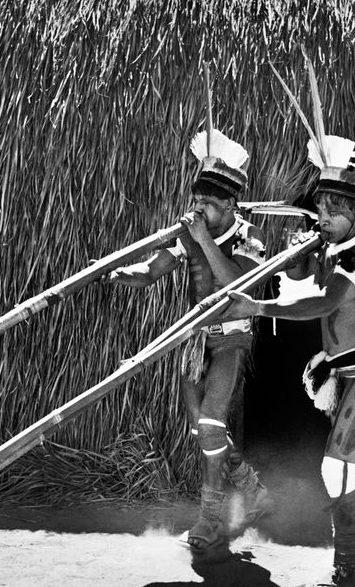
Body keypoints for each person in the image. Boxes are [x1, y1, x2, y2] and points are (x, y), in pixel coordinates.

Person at [225, 131, 355, 587]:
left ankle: (344, 572)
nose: (325, 219)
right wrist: (293, 267)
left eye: (335, 211)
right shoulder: (335, 249)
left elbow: (322, 304)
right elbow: (303, 293)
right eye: (322, 211)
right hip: (352, 376)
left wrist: (257, 307)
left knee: (337, 467)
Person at [109, 128, 273, 555]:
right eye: (195, 201)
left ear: (229, 205)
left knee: (212, 424)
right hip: (195, 341)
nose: (196, 209)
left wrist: (201, 239)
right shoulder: (189, 235)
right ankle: (250, 487)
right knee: (203, 431)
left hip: (231, 340)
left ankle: (210, 520)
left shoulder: (249, 239)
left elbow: (240, 285)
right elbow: (150, 272)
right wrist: (117, 272)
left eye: (205, 204)